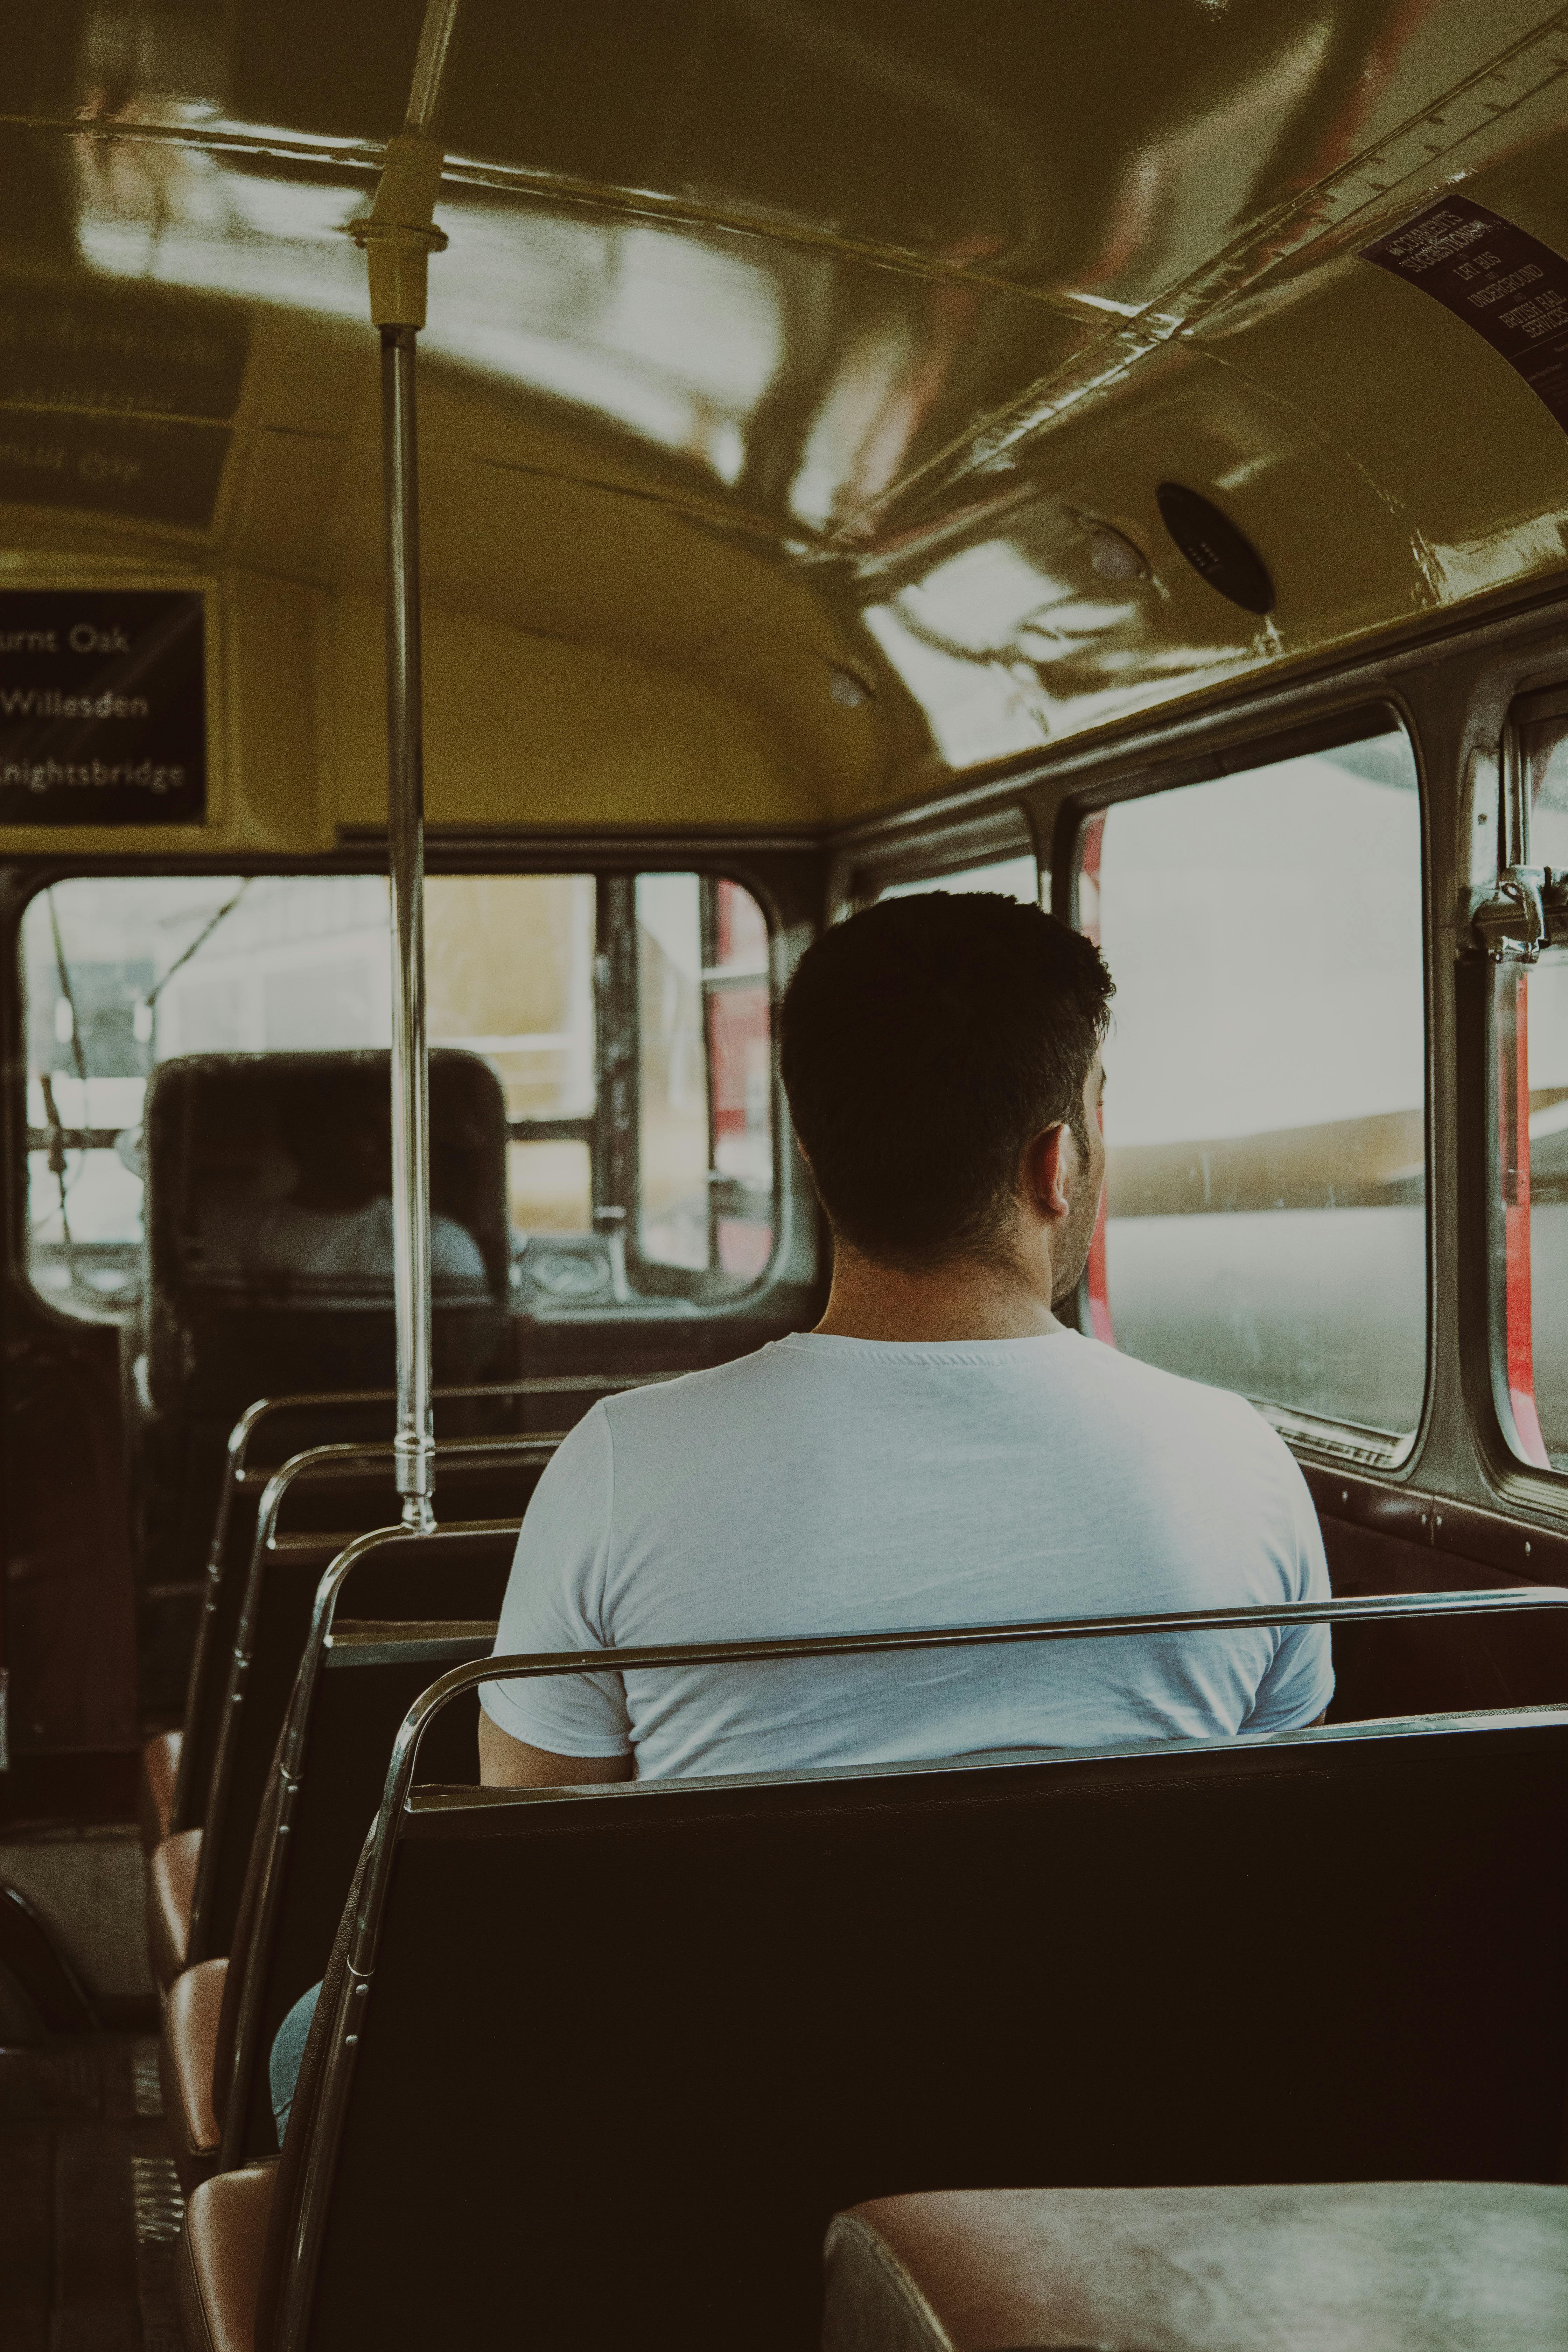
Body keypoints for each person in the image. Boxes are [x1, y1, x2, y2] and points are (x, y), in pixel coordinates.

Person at [270, 891, 1331, 2140]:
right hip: (1133, 2112)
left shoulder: (624, 1461)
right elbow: (1281, 1843)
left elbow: (538, 1876)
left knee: (303, 2040)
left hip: (732, 2128)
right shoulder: (1241, 1460)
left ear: (815, 1158)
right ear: (1058, 1161)